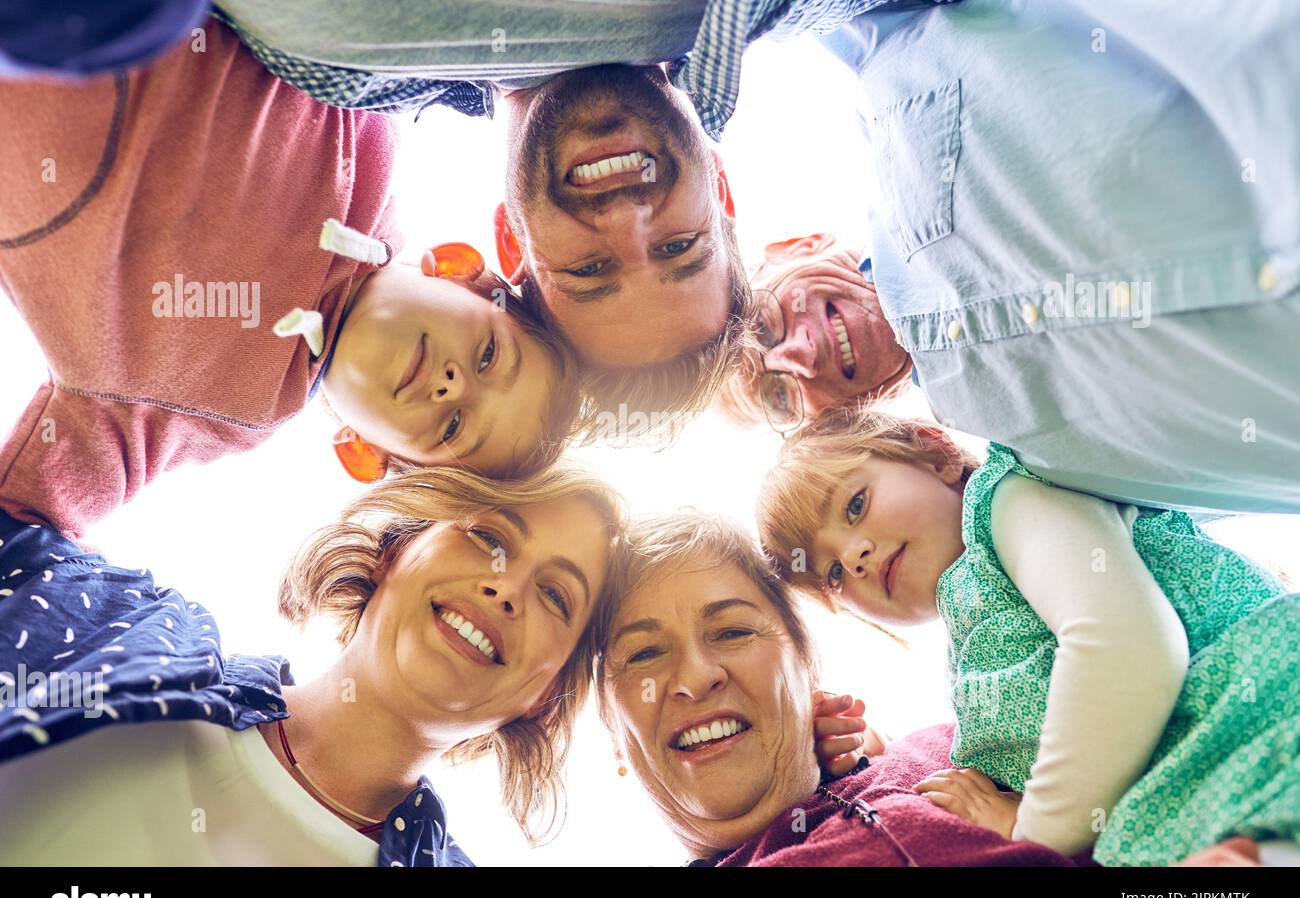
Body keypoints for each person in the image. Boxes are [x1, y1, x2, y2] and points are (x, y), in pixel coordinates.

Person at [202, 1, 935, 422]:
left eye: (589, 269)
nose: (629, 221)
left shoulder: (339, 65)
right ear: (721, 184)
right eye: (681, 248)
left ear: (508, 244)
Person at [0, 16, 584, 539]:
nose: (453, 386)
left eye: (455, 425)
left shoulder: (227, 415)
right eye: (487, 355)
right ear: (462, 272)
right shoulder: (372, 134)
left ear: (366, 454)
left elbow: (31, 511)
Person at [726, 0, 1300, 515]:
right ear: (823, 428)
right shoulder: (1047, 483)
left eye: (763, 324)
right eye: (779, 396)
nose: (798, 356)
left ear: (793, 247)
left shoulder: (885, 58)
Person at [0, 462, 624, 865]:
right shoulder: (124, 622)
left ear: (545, 694)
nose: (505, 586)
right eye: (489, 538)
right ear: (397, 551)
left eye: (555, 596)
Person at [756, 404, 1300, 865]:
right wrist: (870, 758)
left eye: (855, 506)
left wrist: (1033, 828)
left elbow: (1127, 648)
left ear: (936, 453)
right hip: (1198, 809)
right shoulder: (972, 657)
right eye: (830, 573)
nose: (854, 557)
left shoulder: (1008, 500)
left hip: (1262, 727)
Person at [593, 510, 1268, 866]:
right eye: (646, 654)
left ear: (807, 670)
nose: (695, 676)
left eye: (733, 632)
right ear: (614, 739)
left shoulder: (980, 738)